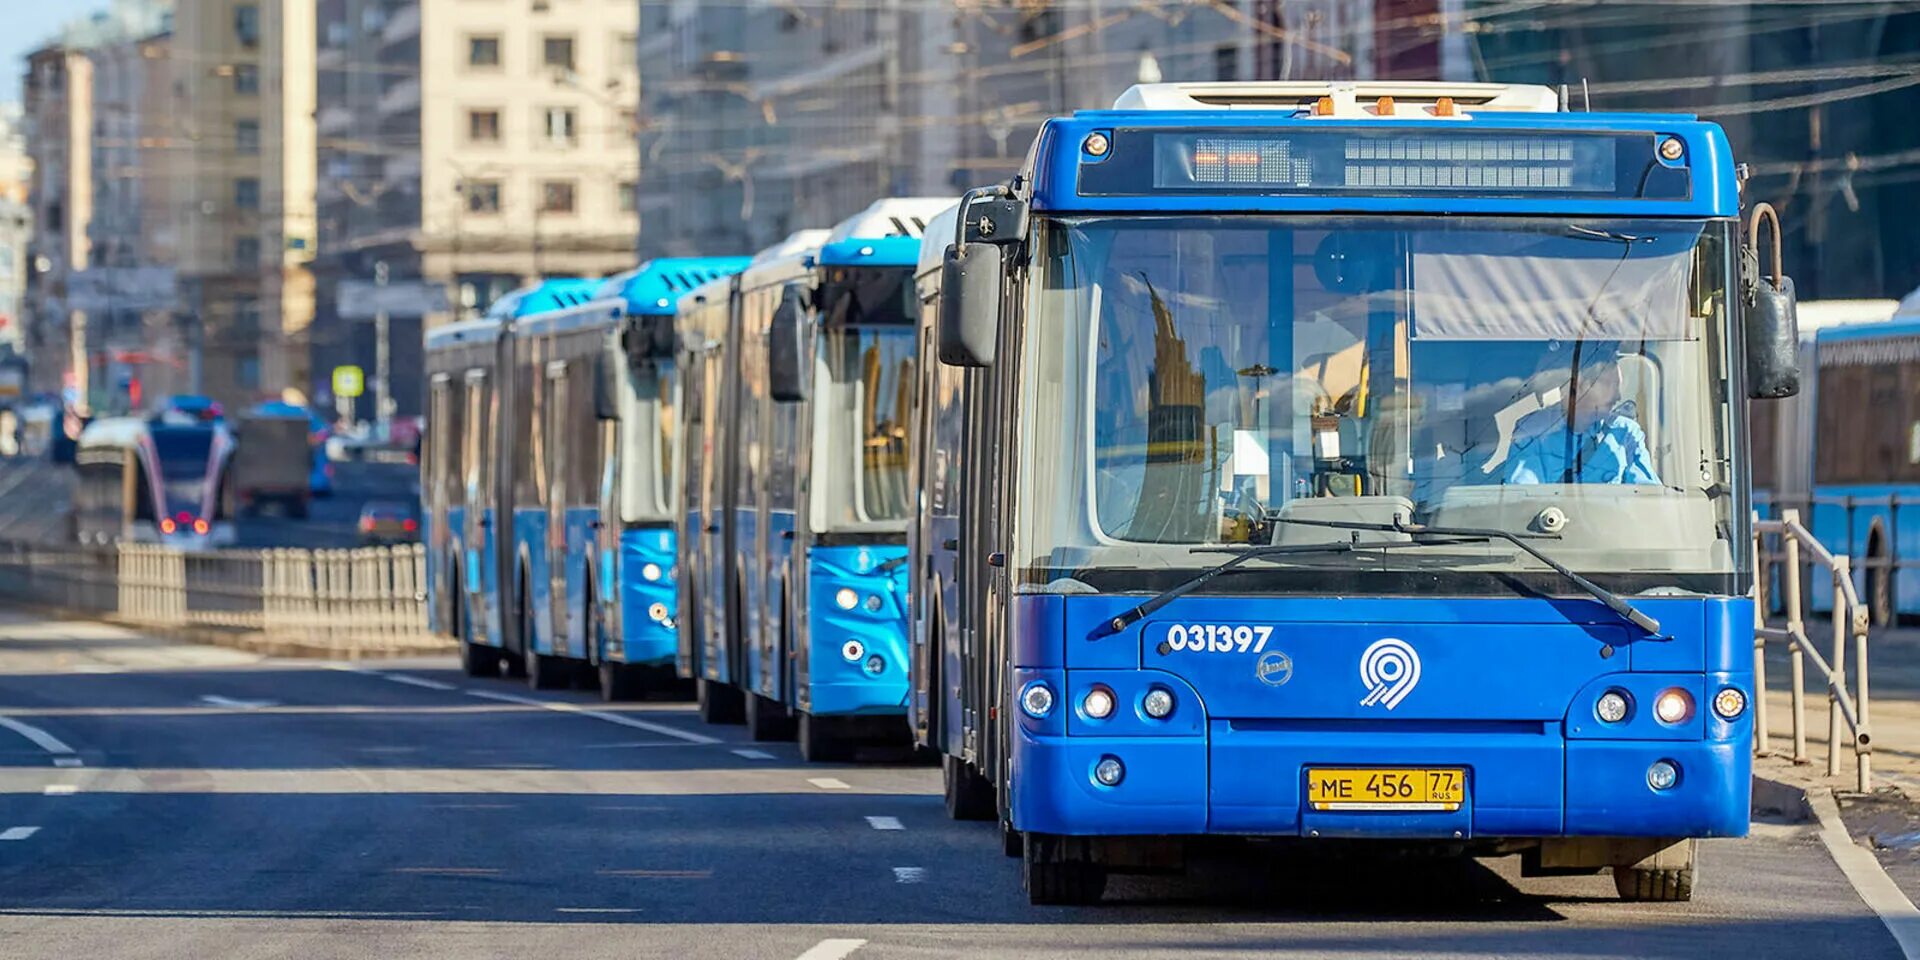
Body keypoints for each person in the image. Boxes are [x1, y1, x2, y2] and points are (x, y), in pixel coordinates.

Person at [1504, 353, 1660, 486]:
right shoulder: (1532, 430)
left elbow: (1647, 494)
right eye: (1609, 385)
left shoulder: (1626, 432)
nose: (1618, 396)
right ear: (1578, 384)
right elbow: (1523, 499)